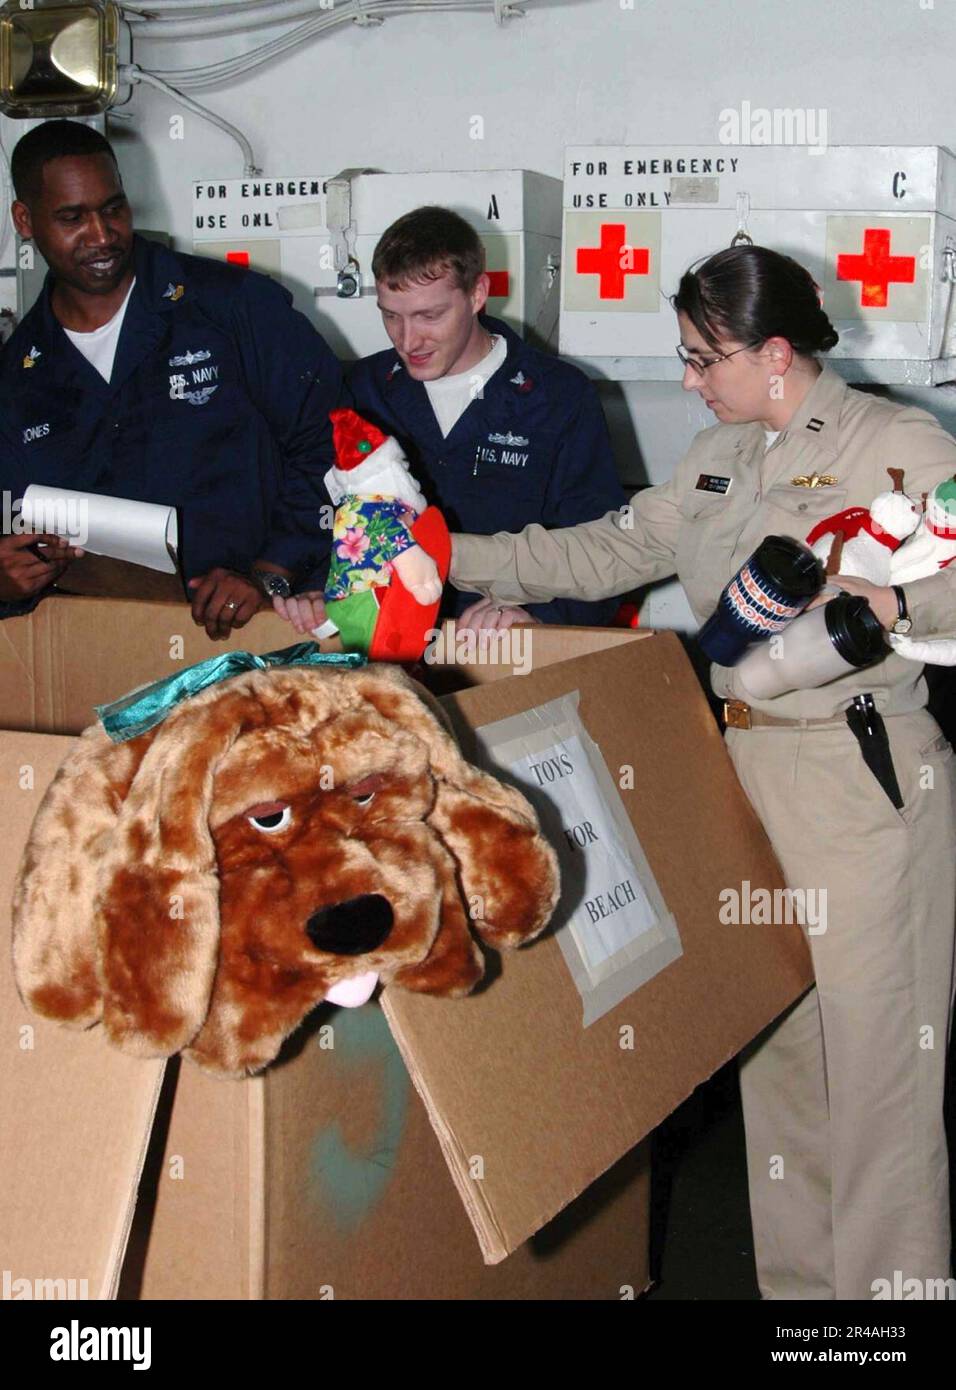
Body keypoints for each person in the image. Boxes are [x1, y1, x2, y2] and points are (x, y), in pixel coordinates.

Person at [450, 243, 956, 1301]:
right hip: (742, 770)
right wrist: (442, 551)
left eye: (701, 358)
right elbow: (599, 551)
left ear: (774, 353)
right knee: (780, 1064)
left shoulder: (893, 442)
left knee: (877, 1083)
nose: (686, 380)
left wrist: (882, 607)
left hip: (856, 777)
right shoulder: (718, 456)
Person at [0, 120, 342, 639]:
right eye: (72, 218)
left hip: (264, 630)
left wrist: (271, 571)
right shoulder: (18, 373)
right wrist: (7, 581)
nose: (102, 235)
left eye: (113, 209)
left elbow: (335, 443)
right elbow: (14, 525)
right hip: (107, 640)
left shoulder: (232, 308)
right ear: (25, 220)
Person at [272, 204, 626, 637]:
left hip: (500, 646)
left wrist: (539, 618)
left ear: (477, 295)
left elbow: (604, 546)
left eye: (430, 316)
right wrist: (313, 589)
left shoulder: (559, 397)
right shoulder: (361, 391)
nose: (408, 340)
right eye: (391, 315)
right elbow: (323, 512)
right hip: (382, 638)